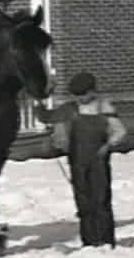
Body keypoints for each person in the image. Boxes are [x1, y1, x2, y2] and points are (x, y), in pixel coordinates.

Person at [51, 71, 126, 246]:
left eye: (83, 95)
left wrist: (108, 145)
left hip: (98, 161)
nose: (80, 99)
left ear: (92, 91)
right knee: (83, 201)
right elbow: (60, 134)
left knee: (101, 199)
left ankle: (105, 240)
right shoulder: (70, 110)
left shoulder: (104, 107)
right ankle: (89, 241)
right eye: (76, 95)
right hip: (77, 161)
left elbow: (120, 131)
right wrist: (59, 142)